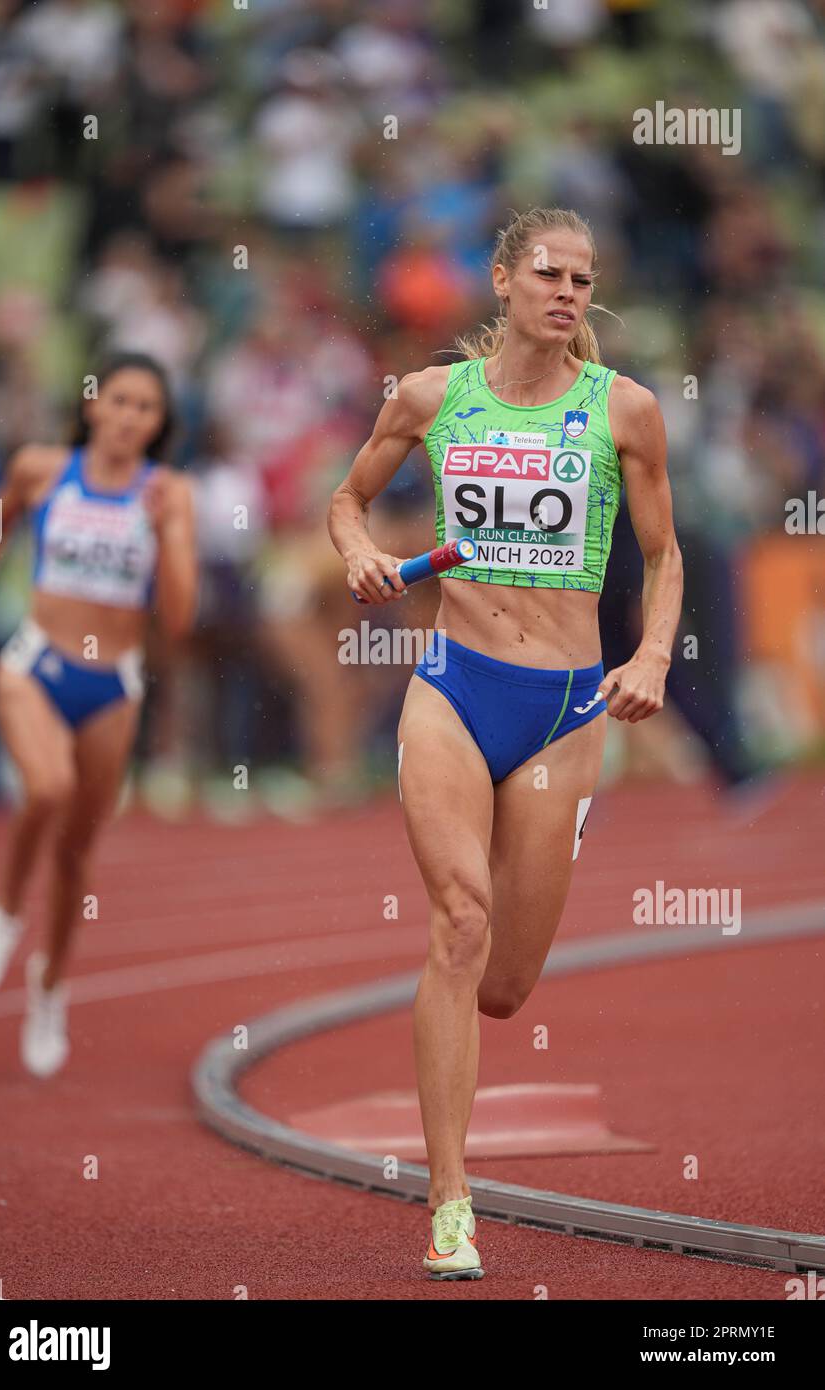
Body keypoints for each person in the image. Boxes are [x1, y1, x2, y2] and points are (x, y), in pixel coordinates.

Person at [328, 207, 683, 1280]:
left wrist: (651, 658)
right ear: (500, 280)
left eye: (582, 276)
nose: (568, 291)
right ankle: (449, 1202)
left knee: (503, 985)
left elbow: (663, 559)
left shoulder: (620, 410)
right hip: (452, 683)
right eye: (547, 272)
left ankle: (491, 937)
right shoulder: (431, 398)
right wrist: (361, 555)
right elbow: (346, 501)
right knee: (457, 922)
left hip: (569, 704)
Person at [0, 352, 196, 1076]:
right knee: (48, 788)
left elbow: (179, 621)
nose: (128, 417)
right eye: (118, 400)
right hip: (35, 664)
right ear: (92, 403)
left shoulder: (167, 492)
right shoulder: (40, 468)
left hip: (112, 686)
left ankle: (50, 987)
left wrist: (165, 535)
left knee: (75, 855)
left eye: (145, 408)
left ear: (159, 424)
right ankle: (1, 916)